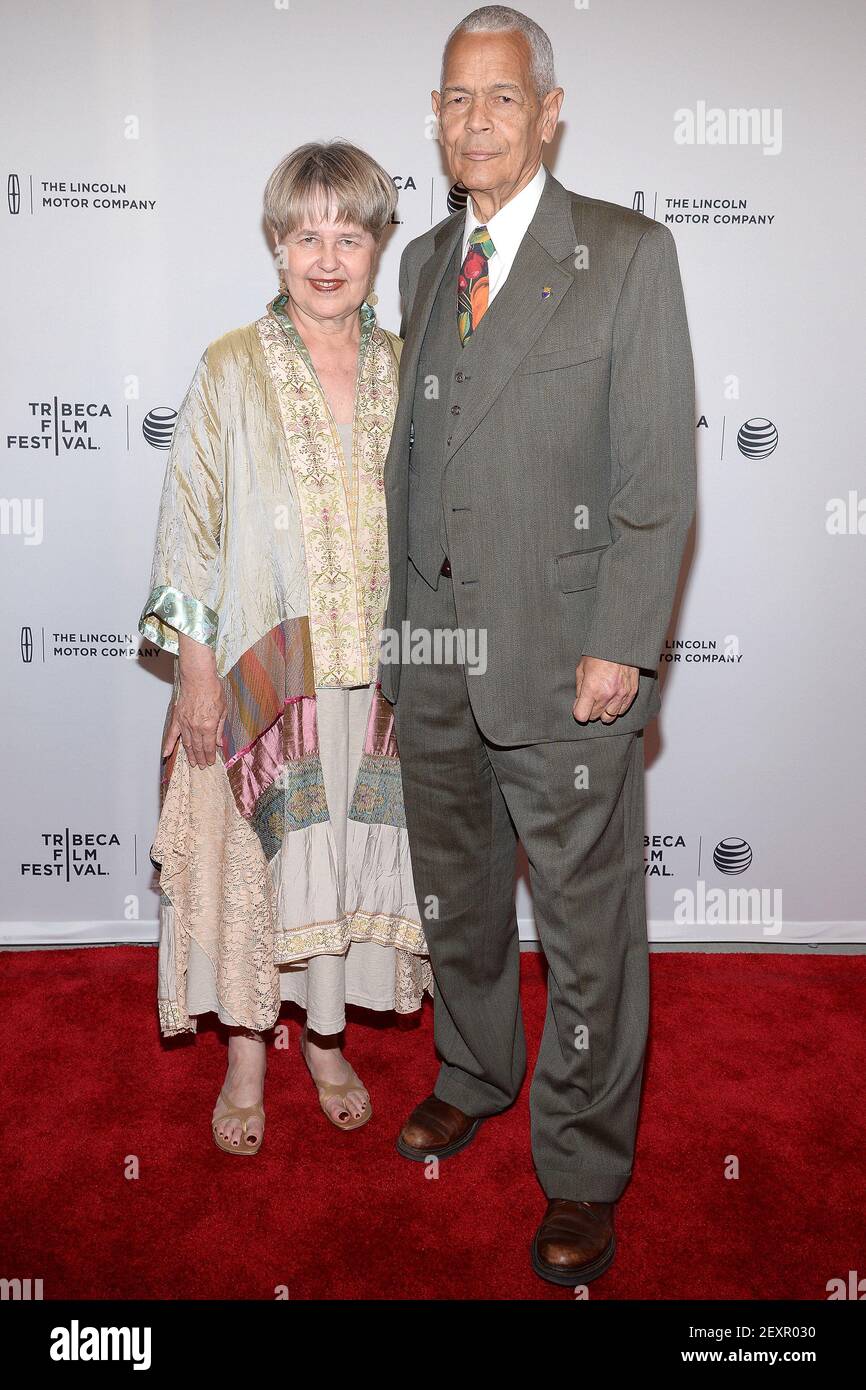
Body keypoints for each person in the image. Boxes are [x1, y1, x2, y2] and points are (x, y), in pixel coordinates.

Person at [380, 6, 696, 1283]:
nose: (474, 122)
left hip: (569, 666)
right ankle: (472, 1067)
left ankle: (577, 1169)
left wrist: (622, 642)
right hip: (434, 656)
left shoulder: (623, 254)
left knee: (583, 930)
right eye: (455, 99)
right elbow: (416, 471)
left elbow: (656, 479)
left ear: (549, 112)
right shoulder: (415, 262)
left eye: (501, 99)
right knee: (456, 903)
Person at [139, 141, 430, 1155]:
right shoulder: (229, 366)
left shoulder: (406, 368)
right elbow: (190, 523)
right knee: (261, 868)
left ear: (376, 245)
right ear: (274, 244)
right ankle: (248, 1050)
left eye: (348, 235)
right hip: (264, 668)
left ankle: (327, 1038)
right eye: (305, 233)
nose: (325, 255)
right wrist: (197, 667)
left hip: (376, 667)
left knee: (343, 861)